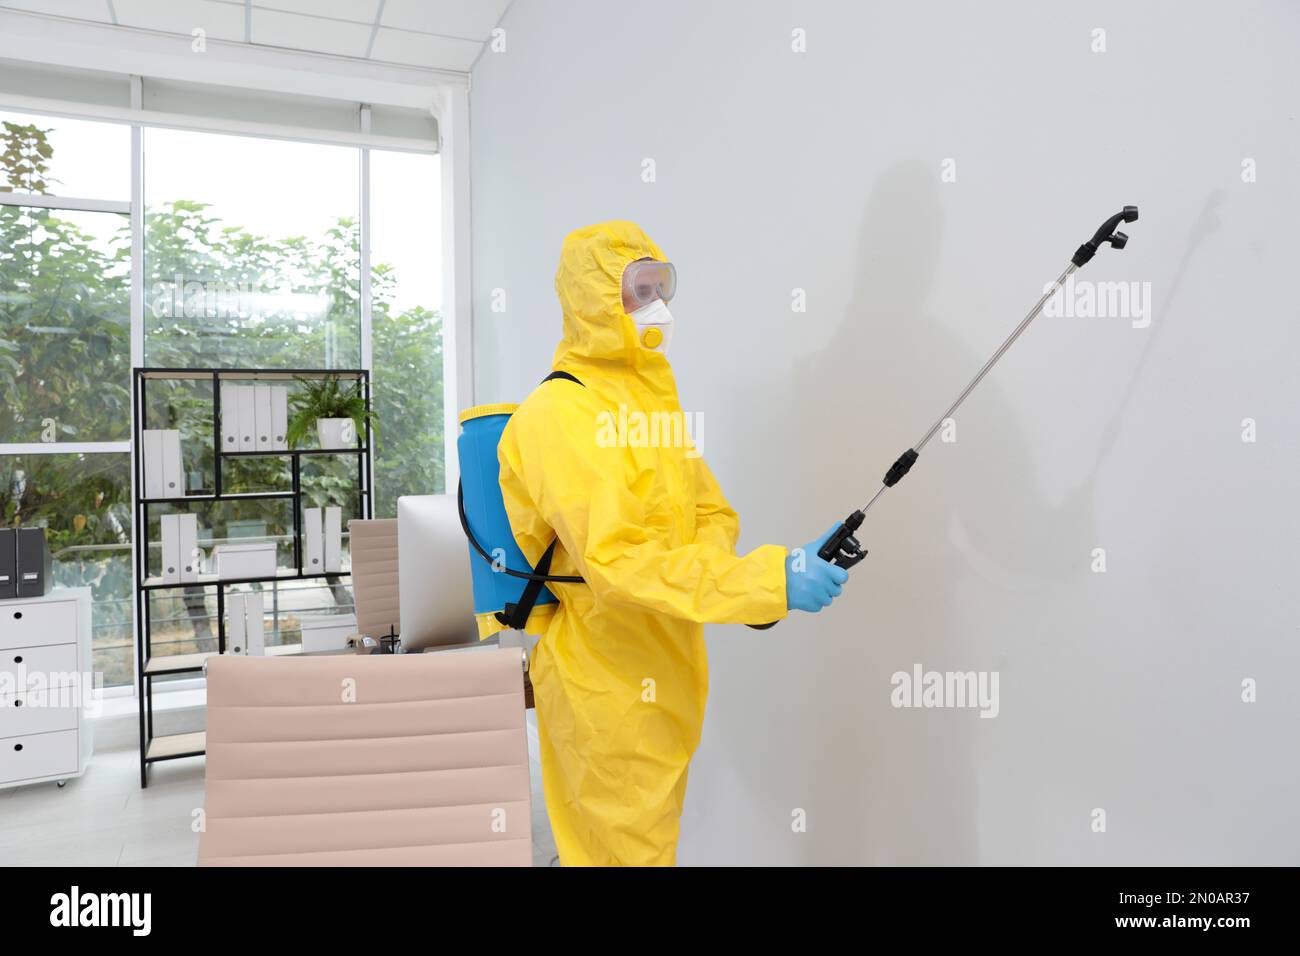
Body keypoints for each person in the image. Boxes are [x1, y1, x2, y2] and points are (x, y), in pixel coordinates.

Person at [497, 220, 847, 866]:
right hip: (606, 693)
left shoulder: (652, 403)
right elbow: (621, 565)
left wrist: (775, 578)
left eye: (660, 287)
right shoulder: (556, 417)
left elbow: (709, 511)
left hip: (669, 678)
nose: (654, 304)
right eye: (637, 289)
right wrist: (767, 582)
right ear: (592, 298)